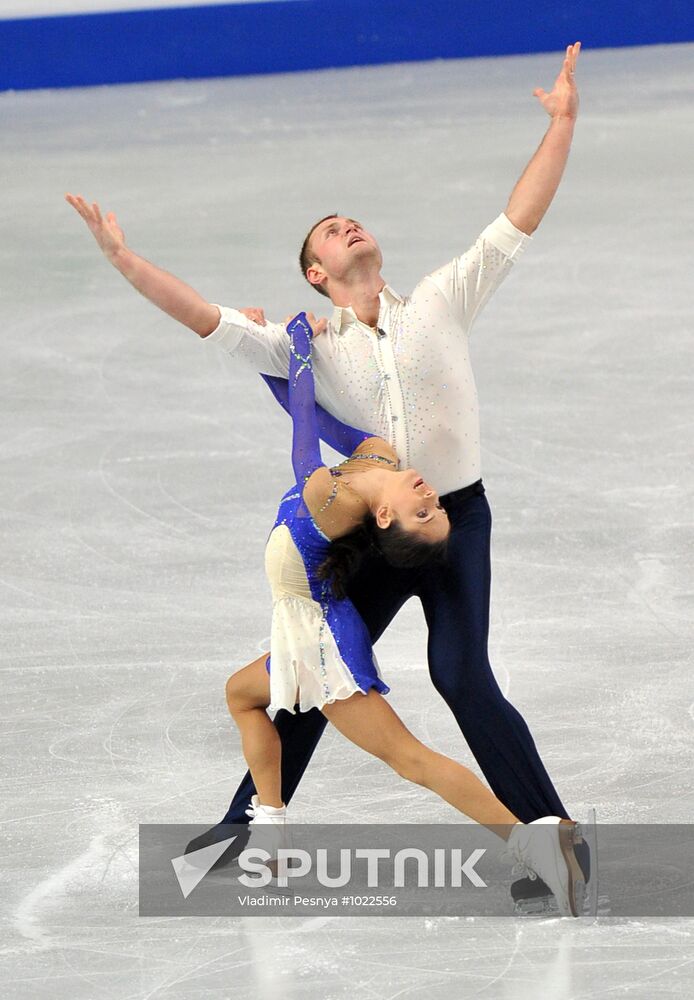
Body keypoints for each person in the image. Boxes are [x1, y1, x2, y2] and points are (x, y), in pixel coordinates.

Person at [64, 41, 586, 910]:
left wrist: (563, 123)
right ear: (316, 274)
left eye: (354, 221)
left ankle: (555, 841)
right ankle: (240, 839)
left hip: (454, 522)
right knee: (308, 675)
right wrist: (127, 263)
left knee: (463, 674)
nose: (349, 228)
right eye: (329, 233)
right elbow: (202, 317)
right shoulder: (302, 346)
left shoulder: (442, 300)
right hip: (367, 538)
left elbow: (519, 218)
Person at [224, 309, 585, 917]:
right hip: (302, 633)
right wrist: (266, 363)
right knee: (240, 693)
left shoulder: (329, 496)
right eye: (431, 506)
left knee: (411, 759)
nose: (429, 495)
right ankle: (272, 828)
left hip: (321, 648)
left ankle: (535, 841)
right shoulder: (375, 464)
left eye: (426, 513)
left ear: (387, 522)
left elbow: (303, 432)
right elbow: (311, 413)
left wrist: (294, 345)